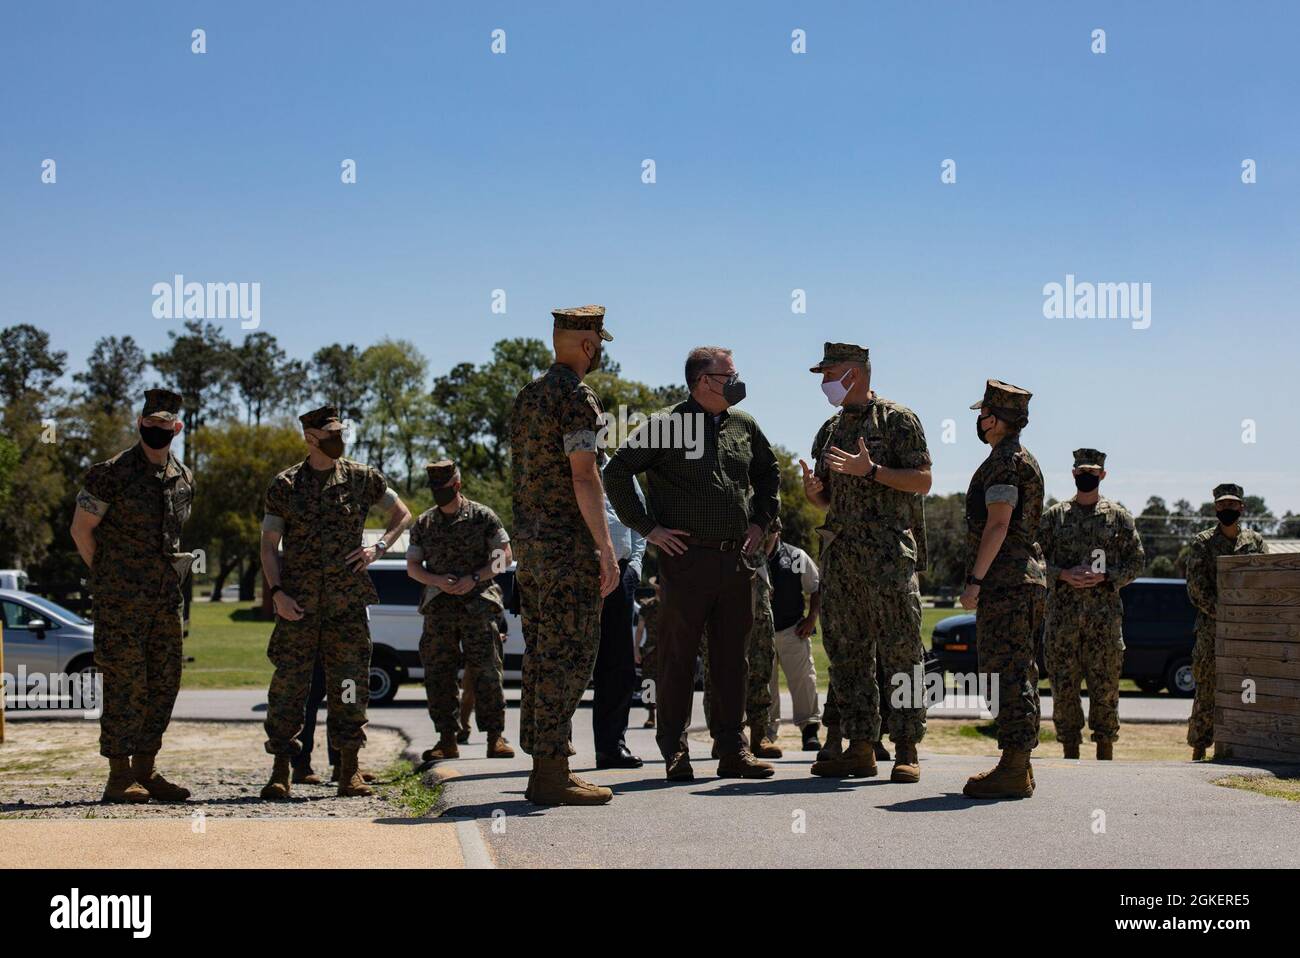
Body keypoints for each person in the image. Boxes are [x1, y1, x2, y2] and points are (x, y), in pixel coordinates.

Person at [605, 345, 781, 781]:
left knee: (730, 660)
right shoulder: (666, 425)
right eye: (730, 374)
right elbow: (616, 471)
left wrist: (761, 522)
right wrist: (648, 529)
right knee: (677, 659)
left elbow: (768, 472)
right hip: (686, 560)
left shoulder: (744, 424)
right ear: (704, 381)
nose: (738, 381)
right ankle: (675, 750)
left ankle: (732, 750)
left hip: (735, 560)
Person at [258, 406, 412, 799]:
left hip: (346, 606)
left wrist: (378, 547)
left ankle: (349, 770)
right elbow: (268, 546)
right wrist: (277, 594)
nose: (339, 437)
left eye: (341, 431)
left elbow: (402, 514)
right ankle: (281, 770)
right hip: (299, 606)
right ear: (311, 438)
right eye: (330, 432)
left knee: (349, 686)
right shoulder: (285, 485)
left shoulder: (362, 478)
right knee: (289, 686)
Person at [802, 343, 932, 783]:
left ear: (854, 373)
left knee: (902, 654)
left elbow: (923, 480)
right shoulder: (829, 429)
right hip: (841, 559)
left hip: (887, 558)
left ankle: (907, 748)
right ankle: (860, 747)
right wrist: (813, 492)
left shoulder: (898, 420)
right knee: (847, 655)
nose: (824, 382)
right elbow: (827, 500)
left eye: (830, 373)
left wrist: (871, 471)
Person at [509, 305, 620, 806]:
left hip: (531, 551)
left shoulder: (528, 396)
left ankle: (546, 763)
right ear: (589, 345)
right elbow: (583, 474)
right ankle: (552, 771)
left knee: (540, 654)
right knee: (570, 655)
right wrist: (606, 549)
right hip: (566, 549)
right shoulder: (577, 398)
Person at [70, 388, 195, 804]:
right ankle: (118, 775)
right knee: (125, 684)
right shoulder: (110, 473)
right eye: (149, 423)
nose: (156, 430)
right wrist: (107, 578)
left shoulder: (184, 477)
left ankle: (146, 768)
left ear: (176, 428)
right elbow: (81, 530)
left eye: (165, 424)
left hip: (165, 602)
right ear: (139, 423)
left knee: (164, 683)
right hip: (120, 602)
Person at [959, 380, 1046, 800]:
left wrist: (975, 580)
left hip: (1007, 582)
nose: (979, 421)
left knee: (1005, 671)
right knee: (1018, 670)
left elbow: (998, 523)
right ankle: (1020, 765)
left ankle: (1013, 766)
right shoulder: (1014, 459)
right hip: (1021, 579)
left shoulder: (1005, 463)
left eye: (983, 414)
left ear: (995, 419)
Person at [1038, 448, 1145, 760]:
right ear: (1073, 474)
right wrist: (1063, 574)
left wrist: (1107, 577)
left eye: (1093, 472)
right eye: (1082, 471)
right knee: (1064, 689)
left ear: (1102, 475)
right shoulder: (1054, 518)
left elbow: (1136, 561)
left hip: (1104, 623)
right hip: (1062, 623)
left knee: (1106, 689)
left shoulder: (1119, 518)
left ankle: (1105, 752)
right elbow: (1034, 560)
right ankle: (1070, 751)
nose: (1087, 476)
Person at [406, 459, 514, 762]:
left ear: (457, 485)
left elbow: (504, 555)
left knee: (487, 672)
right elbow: (413, 567)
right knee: (439, 674)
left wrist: (476, 577)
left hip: (479, 604)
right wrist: (436, 580)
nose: (439, 493)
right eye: (435, 489)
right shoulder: (424, 523)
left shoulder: (483, 517)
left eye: (444, 487)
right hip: (439, 609)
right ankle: (446, 739)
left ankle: (496, 737)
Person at [1185, 483, 1268, 760]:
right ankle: (1199, 749)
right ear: (1215, 508)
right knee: (1207, 689)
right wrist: (1224, 612)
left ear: (1242, 507)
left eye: (1232, 505)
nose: (1227, 509)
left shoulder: (1255, 542)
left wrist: (1245, 615)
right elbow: (1196, 588)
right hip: (1212, 630)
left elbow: (1264, 582)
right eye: (1222, 505)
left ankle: (1242, 750)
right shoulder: (1203, 542)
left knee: (1247, 688)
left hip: (1246, 633)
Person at [593, 469, 647, 769]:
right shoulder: (566, 459)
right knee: (568, 661)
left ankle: (611, 746)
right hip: (579, 569)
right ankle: (556, 749)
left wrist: (635, 566)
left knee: (618, 664)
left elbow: (638, 519)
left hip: (621, 572)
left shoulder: (620, 468)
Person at [762, 517, 824, 753]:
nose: (766, 536)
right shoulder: (751, 556)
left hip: (792, 628)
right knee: (765, 684)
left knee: (804, 680)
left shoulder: (796, 557)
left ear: (778, 531)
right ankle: (767, 733)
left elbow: (816, 586)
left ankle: (809, 731)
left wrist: (811, 618)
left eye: (771, 532)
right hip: (762, 632)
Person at [458, 612, 508, 744]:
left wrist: (501, 636)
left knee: (496, 695)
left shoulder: (496, 610)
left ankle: (496, 734)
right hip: (474, 657)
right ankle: (463, 730)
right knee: (469, 695)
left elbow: (503, 629)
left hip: (492, 658)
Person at [634, 578, 662, 728]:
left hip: (669, 649)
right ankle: (651, 715)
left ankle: (665, 716)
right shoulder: (647, 606)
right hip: (651, 649)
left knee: (668, 684)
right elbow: (639, 629)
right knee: (649, 684)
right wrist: (636, 648)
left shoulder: (673, 605)